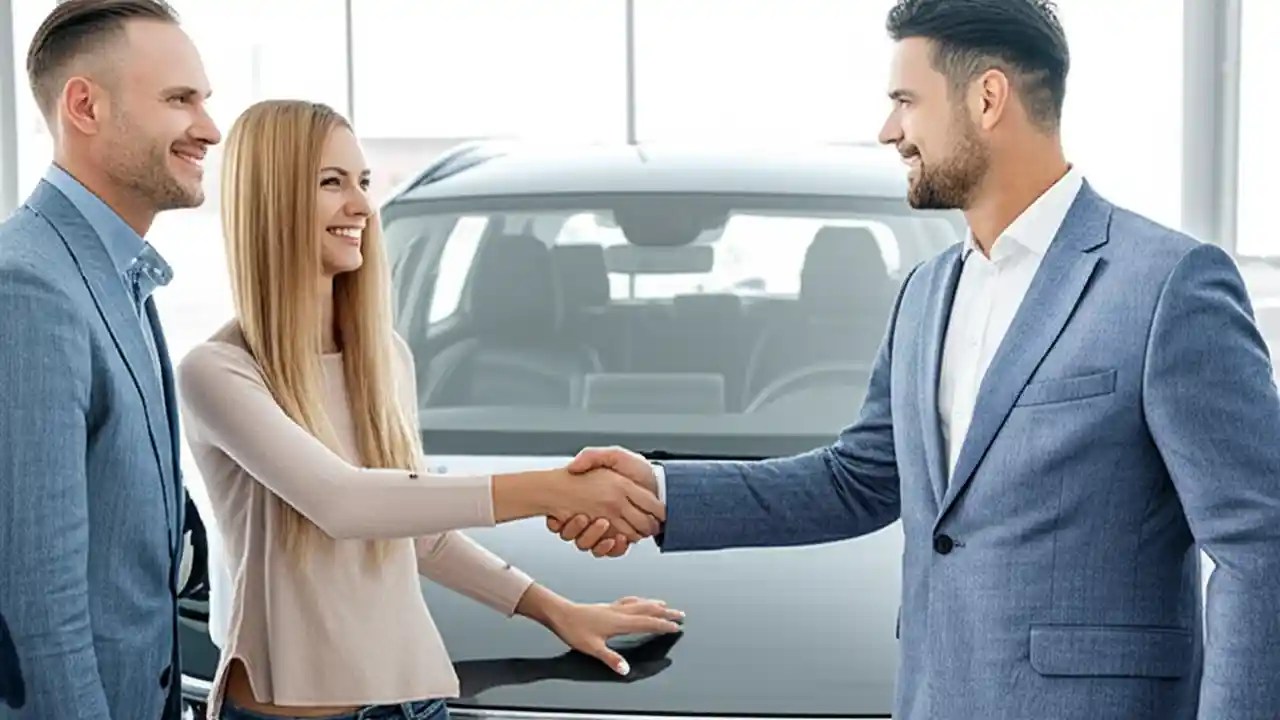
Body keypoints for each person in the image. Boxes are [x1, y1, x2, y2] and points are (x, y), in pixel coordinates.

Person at [551, 0, 1280, 718]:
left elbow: (1260, 545)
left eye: (906, 100)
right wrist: (661, 493)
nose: (889, 131)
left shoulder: (1166, 285)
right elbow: (858, 480)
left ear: (988, 98)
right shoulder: (927, 292)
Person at [175, 99, 679, 720]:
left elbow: (416, 532)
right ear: (270, 201)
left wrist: (554, 609)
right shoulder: (219, 373)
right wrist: (554, 490)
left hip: (412, 704)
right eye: (332, 183)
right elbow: (346, 502)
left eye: (362, 182)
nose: (361, 206)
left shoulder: (385, 356)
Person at [0, 1, 218, 718]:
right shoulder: (26, 285)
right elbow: (35, 609)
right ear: (84, 106)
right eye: (179, 100)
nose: (210, 129)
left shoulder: (117, 271)